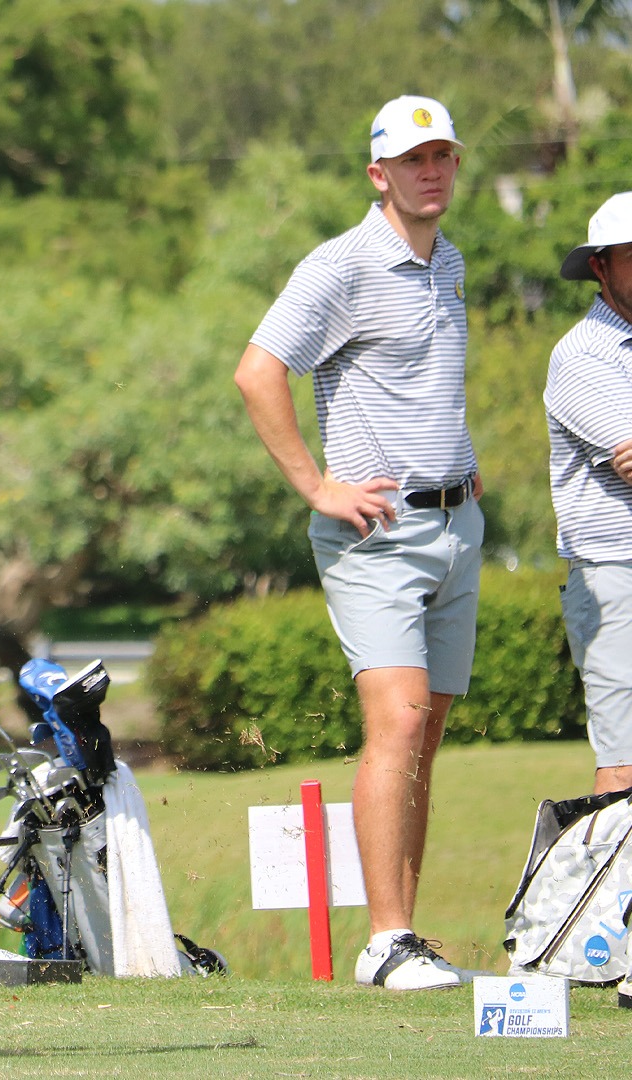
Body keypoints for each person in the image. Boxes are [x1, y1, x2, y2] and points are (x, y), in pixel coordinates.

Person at [233, 95, 482, 991]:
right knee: (399, 722)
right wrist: (316, 485)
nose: (431, 170)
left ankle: (405, 933)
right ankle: (385, 940)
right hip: (374, 532)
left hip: (457, 524)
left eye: (443, 155)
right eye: (414, 159)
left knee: (428, 735)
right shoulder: (340, 265)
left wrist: (464, 466)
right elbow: (258, 370)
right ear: (379, 173)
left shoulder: (447, 261)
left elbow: (422, 386)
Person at [546, 192, 632, 797]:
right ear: (600, 267)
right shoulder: (582, 356)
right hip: (616, 576)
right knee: (627, 764)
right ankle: (615, 893)